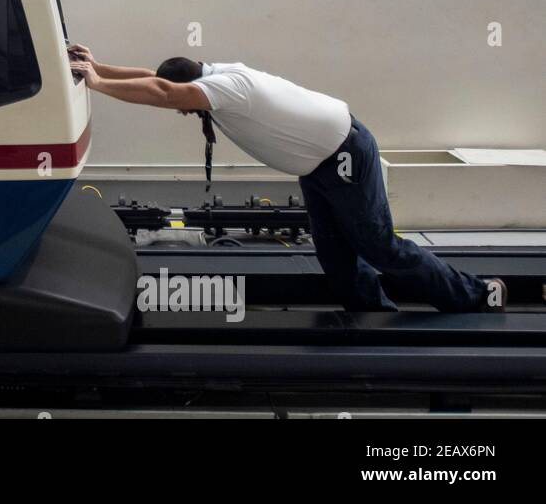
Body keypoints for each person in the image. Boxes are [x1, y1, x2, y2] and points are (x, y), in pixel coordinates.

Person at [67, 44, 504, 313]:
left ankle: (474, 294)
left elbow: (162, 91)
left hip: (344, 155)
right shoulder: (212, 74)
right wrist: (98, 66)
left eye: (187, 106)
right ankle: (373, 316)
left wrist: (98, 84)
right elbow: (156, 77)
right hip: (318, 166)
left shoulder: (229, 87)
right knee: (334, 253)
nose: (184, 111)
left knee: (377, 245)